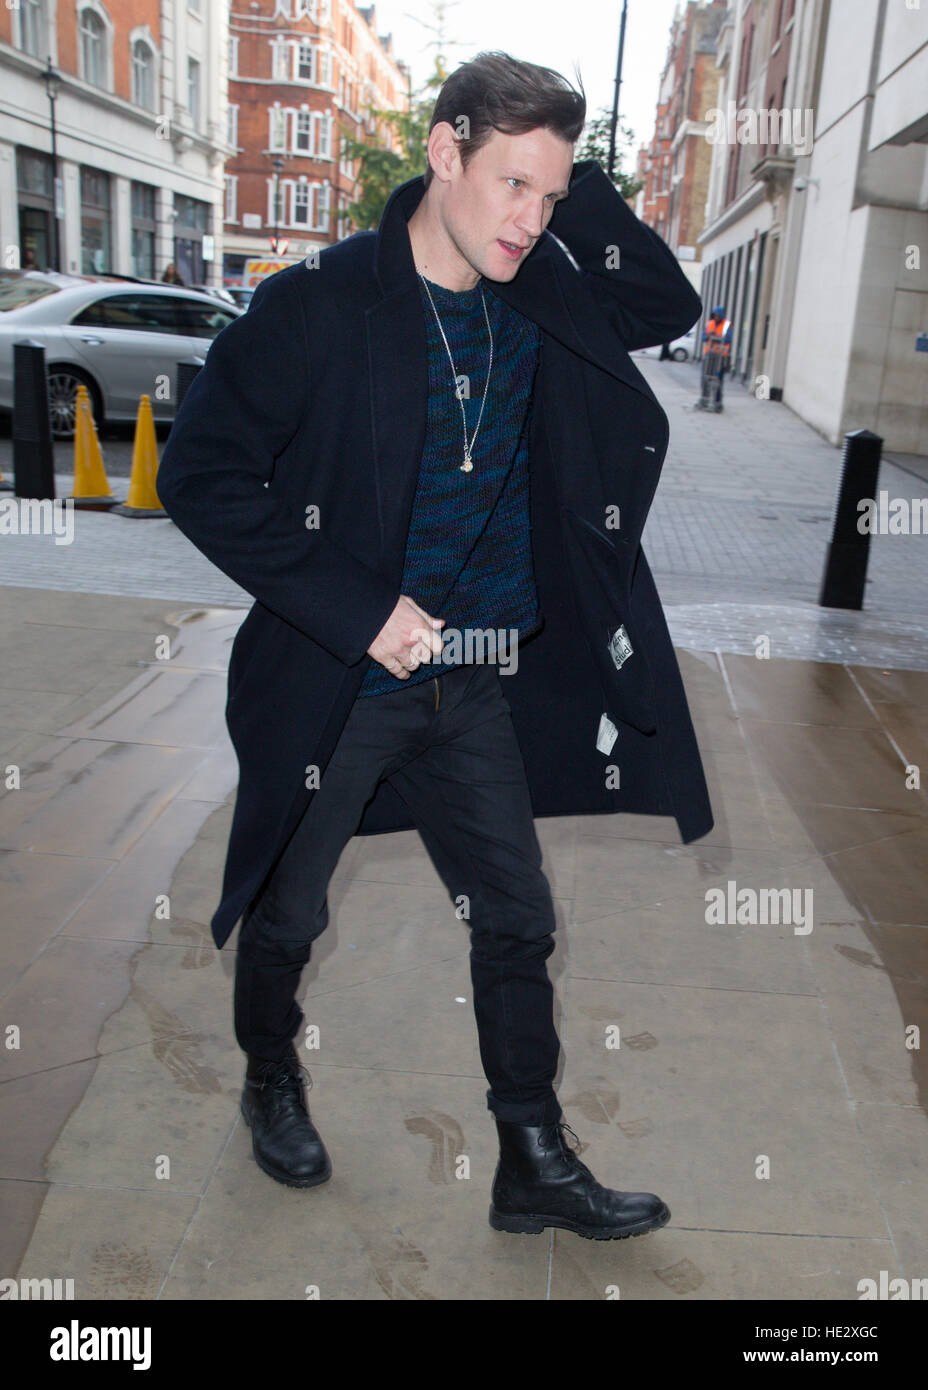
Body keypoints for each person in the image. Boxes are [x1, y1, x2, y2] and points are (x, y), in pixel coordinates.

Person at [157, 51, 713, 1242]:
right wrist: (356, 607)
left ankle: (530, 1157)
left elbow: (665, 305)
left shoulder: (540, 286)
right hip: (341, 683)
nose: (530, 220)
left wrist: (579, 180)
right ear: (442, 152)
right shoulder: (319, 303)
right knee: (291, 911)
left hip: (475, 685)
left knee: (517, 916)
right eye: (511, 183)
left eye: (549, 197)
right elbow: (197, 474)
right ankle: (269, 1073)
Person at [699, 304, 732, 410]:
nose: (716, 317)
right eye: (714, 315)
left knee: (717, 379)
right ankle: (705, 398)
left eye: (717, 315)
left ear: (721, 315)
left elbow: (728, 339)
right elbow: (704, 336)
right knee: (705, 377)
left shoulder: (726, 325)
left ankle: (717, 401)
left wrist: (716, 338)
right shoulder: (710, 324)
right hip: (709, 355)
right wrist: (709, 336)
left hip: (720, 356)